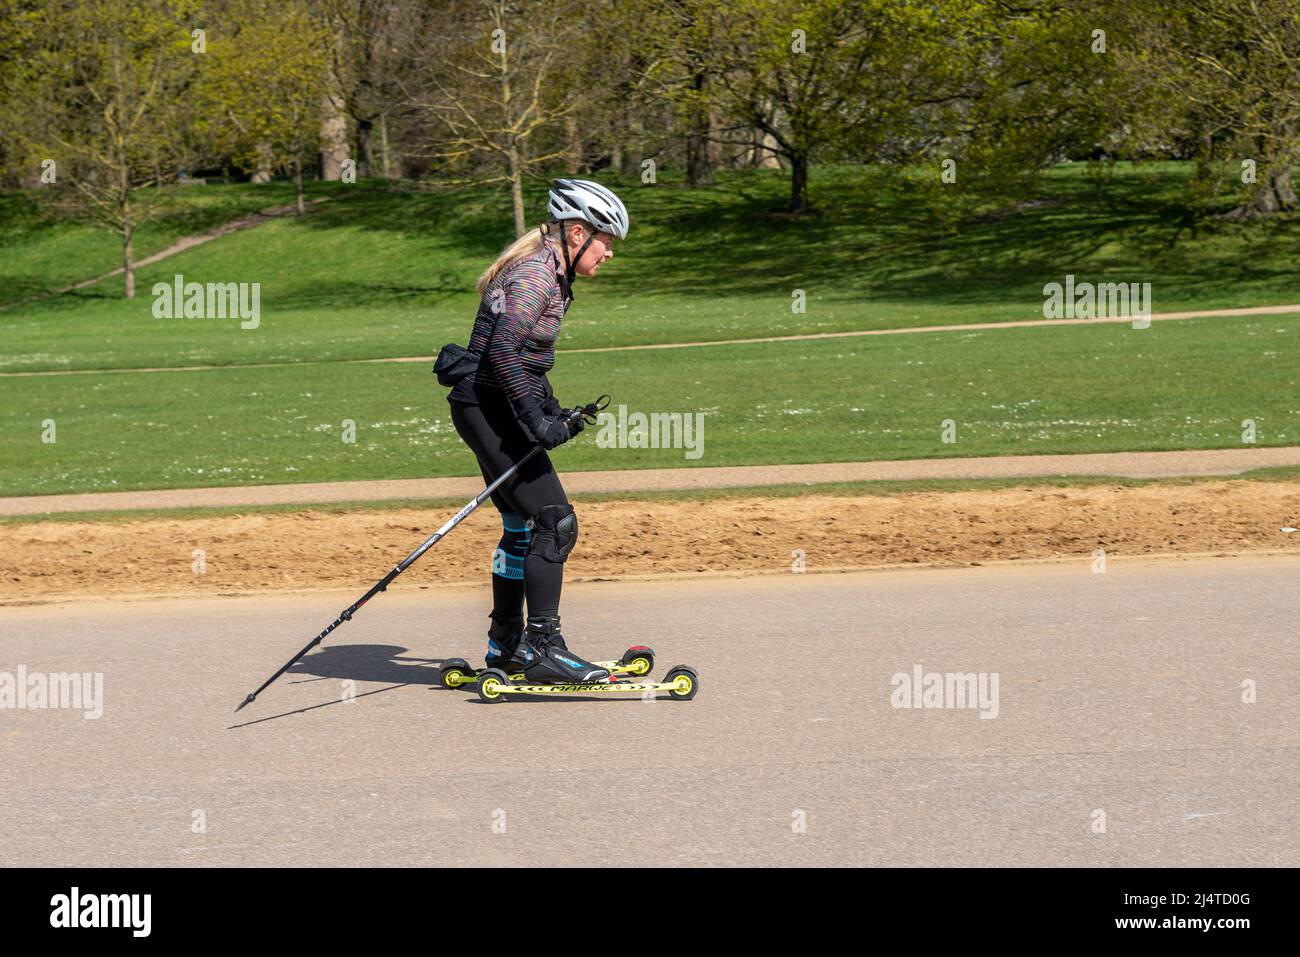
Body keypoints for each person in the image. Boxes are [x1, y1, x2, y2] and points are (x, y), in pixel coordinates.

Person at [447, 178, 628, 683]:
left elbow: (524, 361)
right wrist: (535, 422)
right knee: (555, 522)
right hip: (489, 410)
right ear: (576, 234)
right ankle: (543, 645)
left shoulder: (550, 272)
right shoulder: (534, 276)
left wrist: (553, 411)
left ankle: (505, 644)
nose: (609, 253)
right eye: (606, 240)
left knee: (521, 526)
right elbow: (502, 354)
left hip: (486, 406)